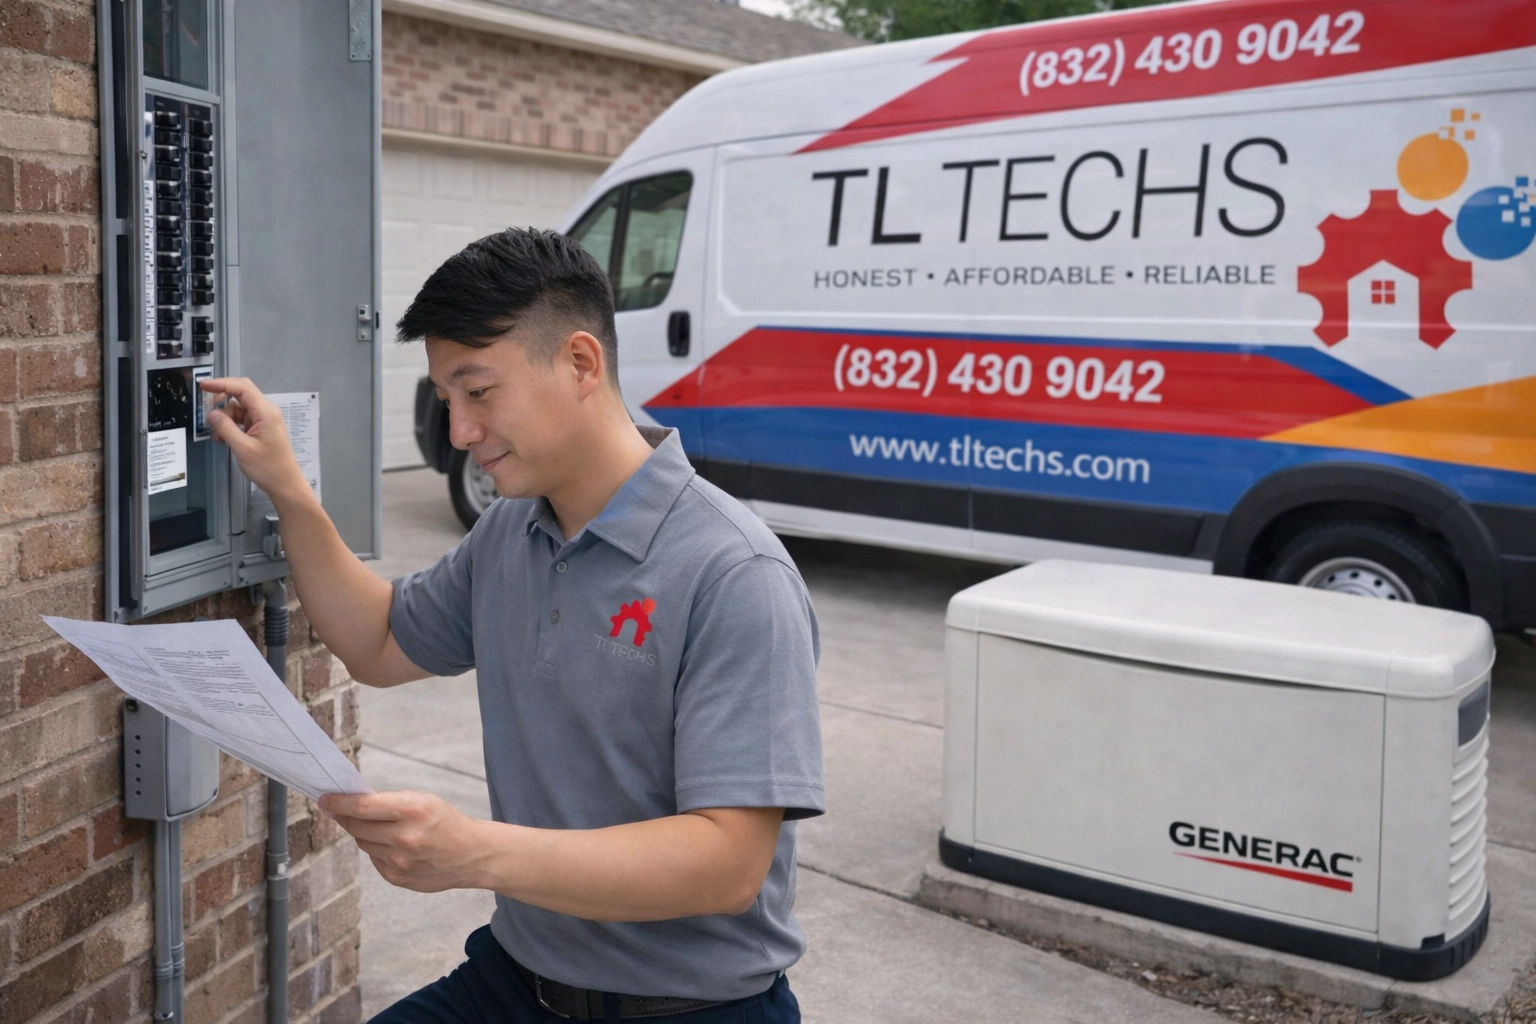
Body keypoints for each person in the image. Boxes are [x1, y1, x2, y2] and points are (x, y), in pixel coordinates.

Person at [201, 228, 824, 1022]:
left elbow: (729, 863)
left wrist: (472, 851)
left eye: (479, 391)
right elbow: (383, 641)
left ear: (581, 363)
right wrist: (288, 490)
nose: (459, 431)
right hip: (515, 982)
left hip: (691, 1008)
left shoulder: (734, 573)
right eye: (446, 399)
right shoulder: (512, 531)